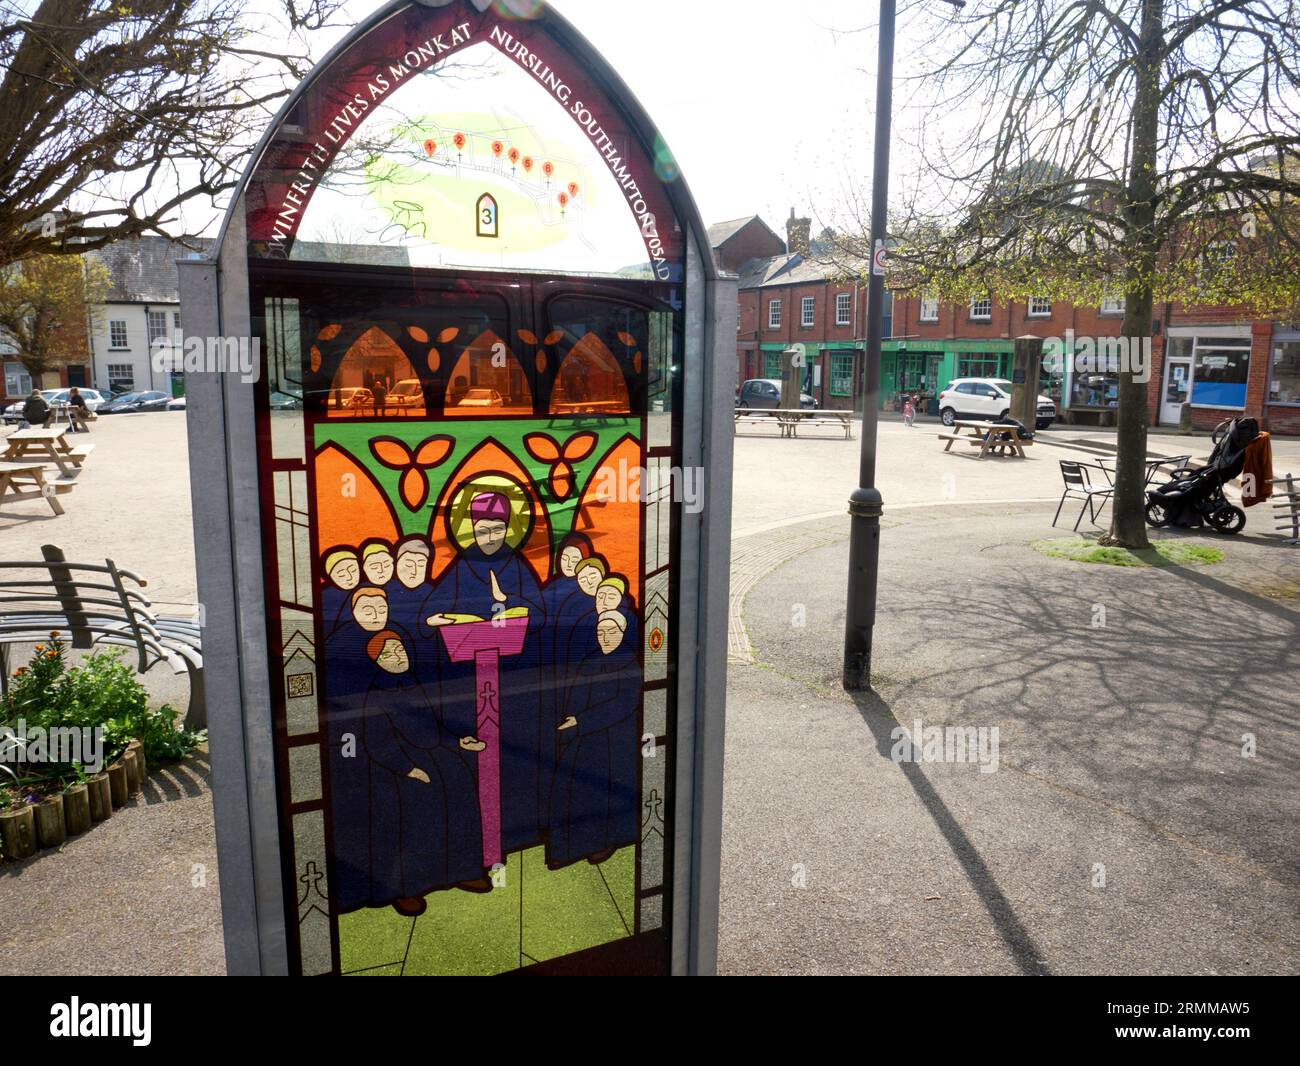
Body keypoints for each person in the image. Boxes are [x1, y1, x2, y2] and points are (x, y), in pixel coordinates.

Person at [423, 490, 547, 855]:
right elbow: (430, 610)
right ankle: (477, 842)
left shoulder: (518, 566)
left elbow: (540, 614)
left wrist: (510, 604)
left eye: (497, 530)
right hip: (470, 681)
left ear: (509, 529)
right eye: (482, 530)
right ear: (470, 530)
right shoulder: (461, 567)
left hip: (512, 680)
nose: (489, 537)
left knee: (516, 759)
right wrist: (435, 617)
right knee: (475, 761)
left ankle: (515, 837)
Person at [546, 608, 640, 869]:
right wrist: (570, 717)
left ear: (622, 633)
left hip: (612, 740)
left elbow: (624, 703)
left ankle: (603, 842)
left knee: (602, 792)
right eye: (601, 631)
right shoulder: (590, 661)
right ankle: (566, 847)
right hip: (582, 737)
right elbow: (573, 695)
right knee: (570, 790)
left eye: (612, 631)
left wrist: (581, 721)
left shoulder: (628, 662)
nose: (606, 636)